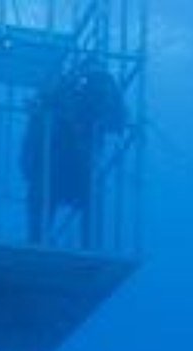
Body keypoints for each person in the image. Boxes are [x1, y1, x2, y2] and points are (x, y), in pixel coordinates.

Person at [22, 63, 127, 247]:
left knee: (63, 197)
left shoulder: (88, 87)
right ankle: (81, 245)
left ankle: (42, 242)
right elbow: (118, 121)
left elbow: (118, 120)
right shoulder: (64, 89)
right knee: (57, 196)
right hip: (60, 160)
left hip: (70, 161)